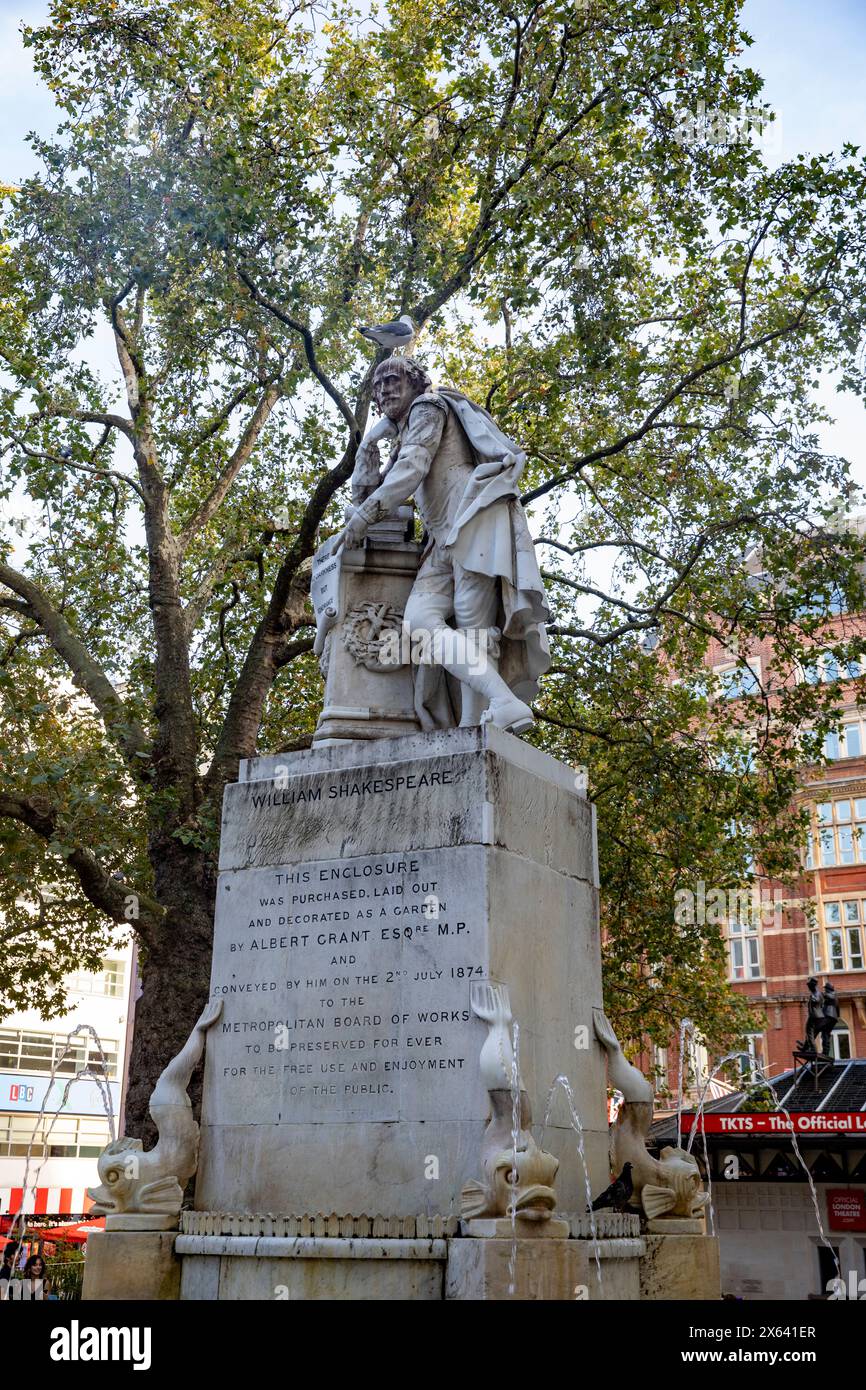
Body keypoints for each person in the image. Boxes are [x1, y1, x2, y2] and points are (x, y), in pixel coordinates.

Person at [337, 357, 549, 733]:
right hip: (441, 541)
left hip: (472, 520)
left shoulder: (428, 407)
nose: (385, 390)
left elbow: (411, 470)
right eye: (378, 385)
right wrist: (367, 446)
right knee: (421, 621)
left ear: (415, 382)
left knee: (475, 630)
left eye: (392, 379)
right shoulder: (404, 431)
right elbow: (376, 491)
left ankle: (476, 724)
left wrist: (363, 517)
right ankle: (501, 703)